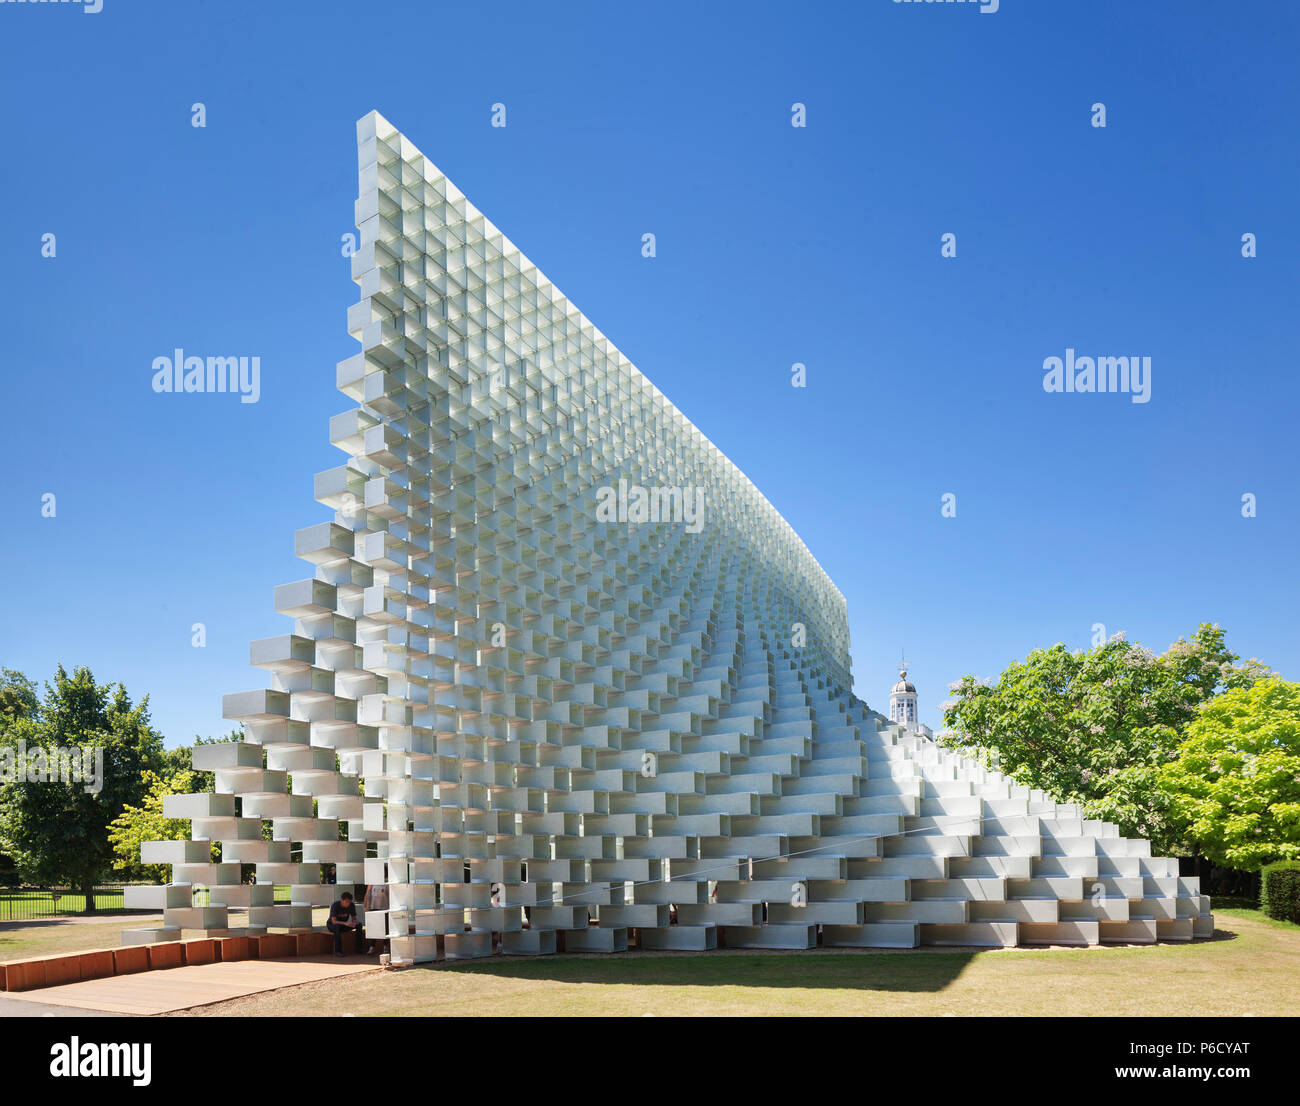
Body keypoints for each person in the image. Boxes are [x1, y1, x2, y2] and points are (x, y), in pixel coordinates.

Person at [326, 891, 360, 957]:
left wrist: (355, 922)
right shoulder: (335, 905)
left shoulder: (351, 905)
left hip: (344, 925)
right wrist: (345, 923)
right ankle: (338, 951)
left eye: (349, 902)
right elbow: (334, 921)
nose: (348, 904)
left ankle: (359, 948)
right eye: (346, 902)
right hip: (332, 925)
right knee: (337, 927)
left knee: (359, 925)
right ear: (342, 900)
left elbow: (354, 918)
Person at [363, 882, 390, 957]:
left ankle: (385, 946)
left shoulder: (387, 883)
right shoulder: (371, 883)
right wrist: (365, 906)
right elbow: (367, 894)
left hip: (384, 908)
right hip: (373, 908)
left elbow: (390, 895)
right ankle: (372, 947)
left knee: (385, 928)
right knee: (373, 928)